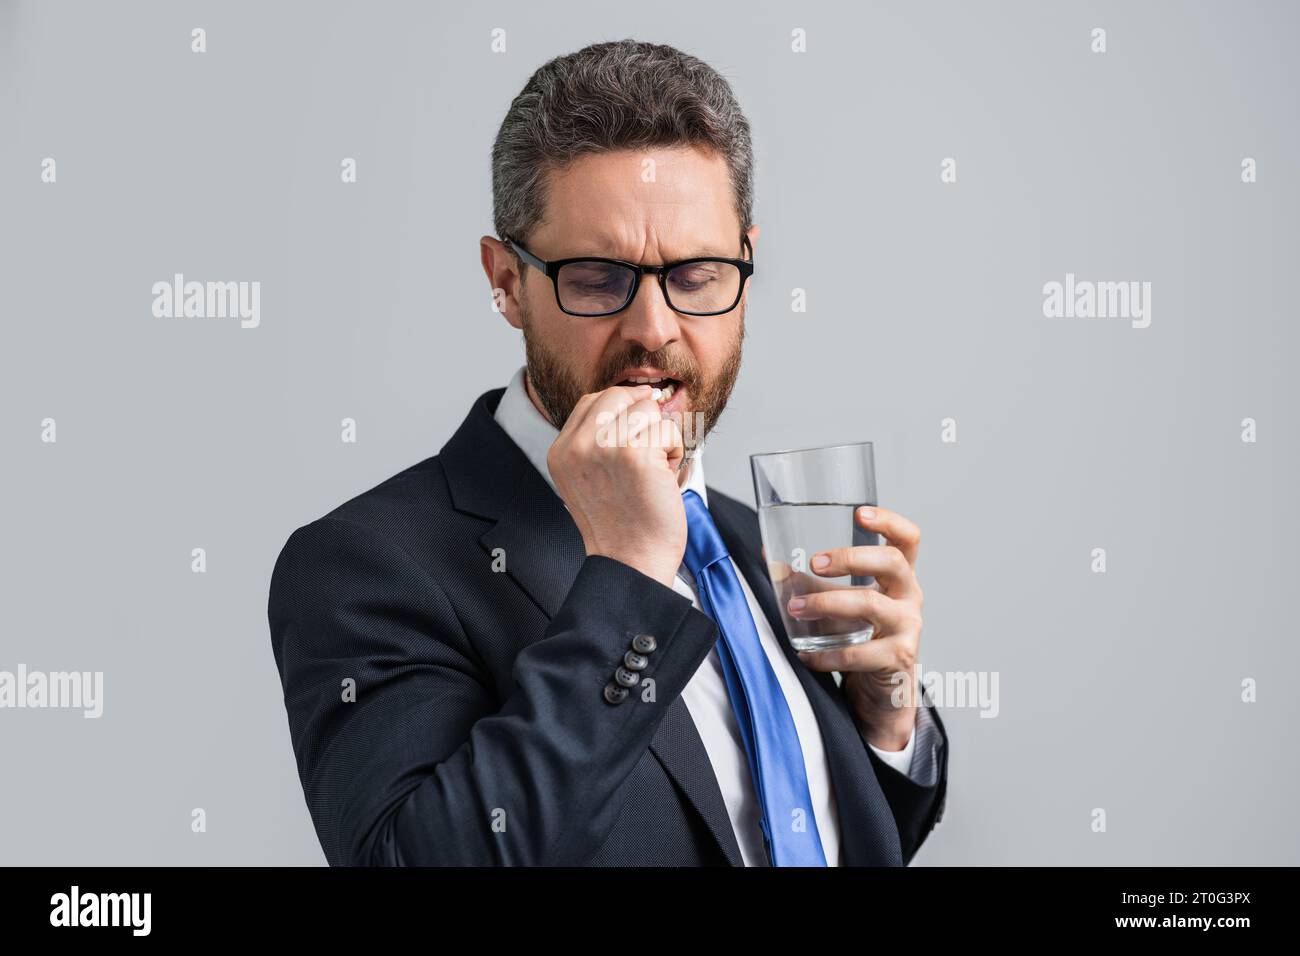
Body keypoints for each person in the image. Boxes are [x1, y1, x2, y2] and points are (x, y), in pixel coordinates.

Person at [268, 38, 947, 866]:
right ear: (507, 282)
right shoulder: (367, 567)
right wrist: (626, 576)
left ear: (746, 262)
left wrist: (888, 715)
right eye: (596, 278)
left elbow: (819, 833)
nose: (654, 329)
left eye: (697, 276)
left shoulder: (755, 544)